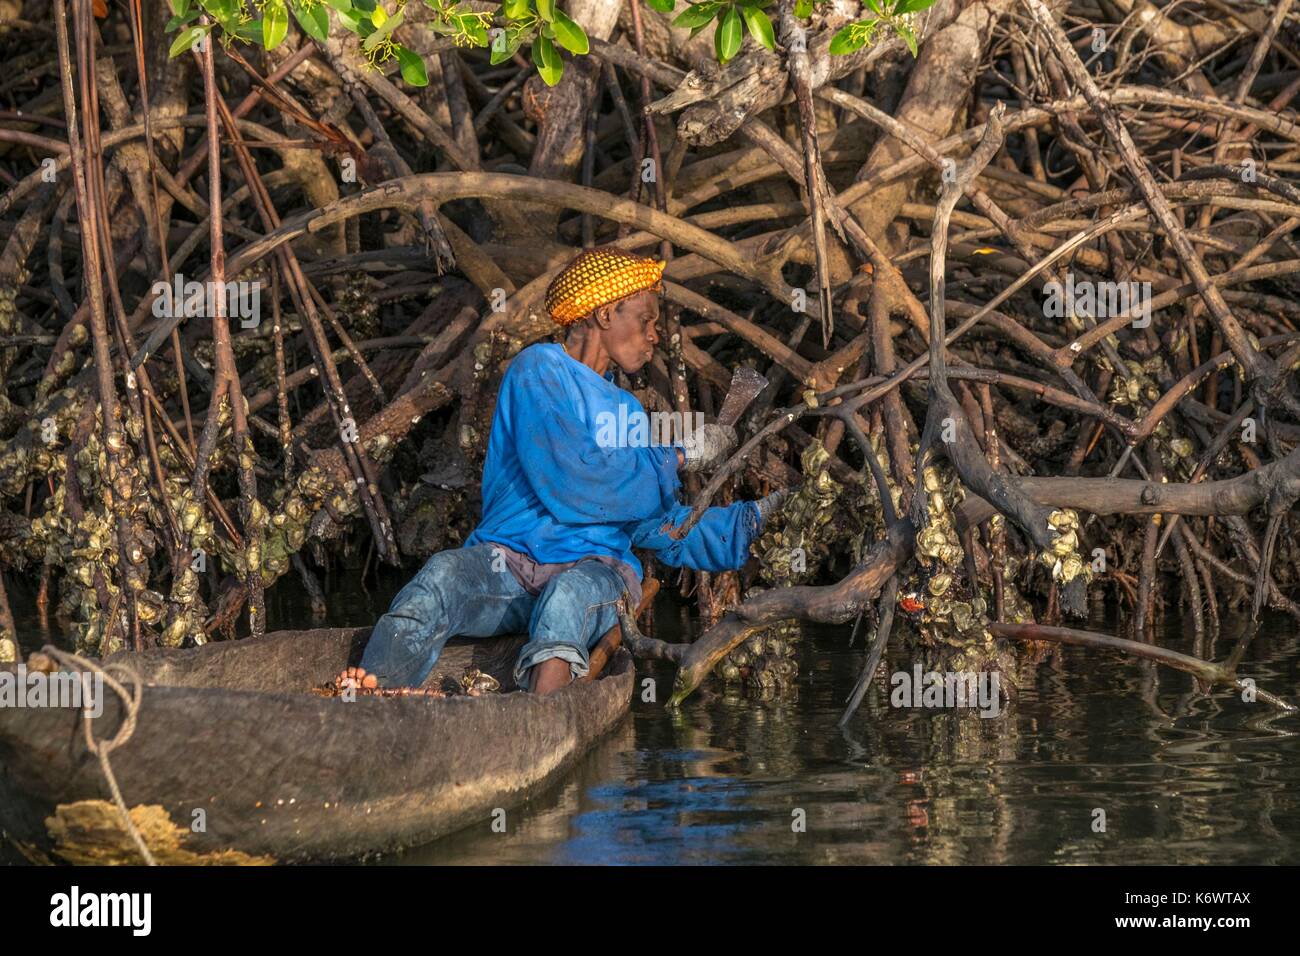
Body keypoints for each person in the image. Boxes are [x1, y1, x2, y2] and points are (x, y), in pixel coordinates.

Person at [337, 246, 785, 695]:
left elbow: (652, 524)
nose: (655, 336)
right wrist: (681, 456)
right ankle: (379, 690)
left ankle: (539, 719)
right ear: (607, 313)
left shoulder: (629, 410)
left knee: (566, 597)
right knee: (441, 575)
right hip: (510, 564)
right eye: (646, 320)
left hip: (598, 570)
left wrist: (752, 521)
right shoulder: (538, 370)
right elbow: (573, 480)